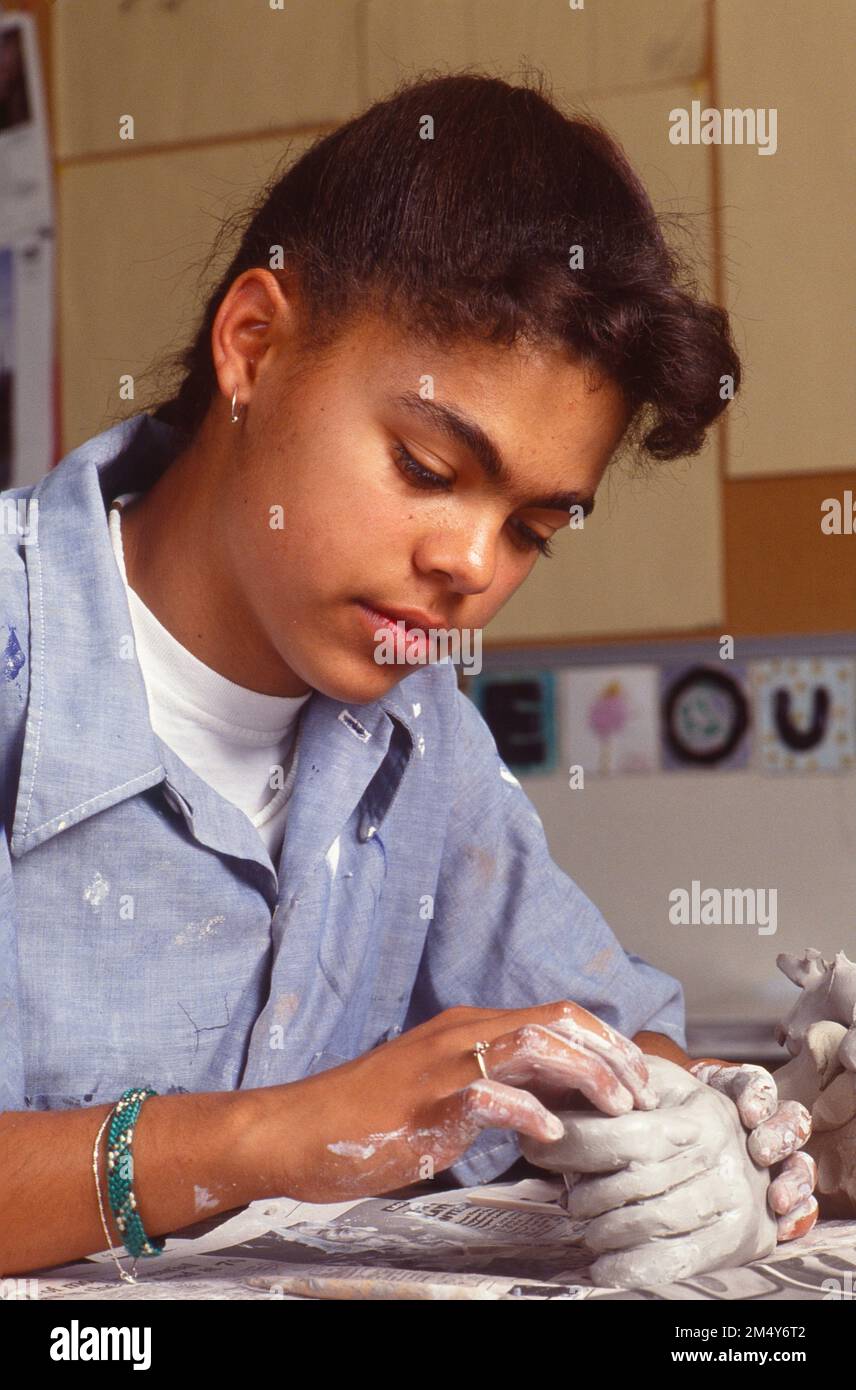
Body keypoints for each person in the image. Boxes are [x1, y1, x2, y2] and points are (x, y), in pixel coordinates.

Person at [0, 72, 816, 1280]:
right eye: (428, 468)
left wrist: (733, 1119)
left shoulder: (419, 734)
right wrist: (280, 1133)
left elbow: (603, 1035)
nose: (472, 566)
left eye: (535, 528)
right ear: (254, 344)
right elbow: (308, 1133)